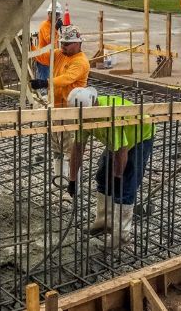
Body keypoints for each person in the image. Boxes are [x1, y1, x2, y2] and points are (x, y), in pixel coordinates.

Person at [68, 86, 155, 245]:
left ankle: (121, 235)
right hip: (119, 141)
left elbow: (121, 151)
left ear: (93, 106)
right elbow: (78, 148)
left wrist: (117, 177)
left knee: (125, 184)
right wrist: (72, 179)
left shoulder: (108, 115)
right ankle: (104, 222)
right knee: (103, 175)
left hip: (140, 134)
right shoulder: (83, 117)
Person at [29, 25, 90, 189]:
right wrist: (30, 46)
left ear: (78, 44)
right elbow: (42, 58)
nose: (62, 46)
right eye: (62, 43)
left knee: (72, 149)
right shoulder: (59, 54)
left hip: (71, 110)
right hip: (56, 107)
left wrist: (46, 82)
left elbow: (67, 78)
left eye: (67, 44)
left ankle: (73, 182)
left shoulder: (80, 61)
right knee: (56, 145)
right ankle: (59, 181)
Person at [33, 3, 63, 84]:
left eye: (57, 14)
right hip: (44, 60)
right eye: (54, 14)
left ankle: (47, 95)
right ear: (48, 13)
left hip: (51, 59)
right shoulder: (45, 25)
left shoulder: (52, 25)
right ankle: (42, 96)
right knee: (43, 84)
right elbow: (49, 41)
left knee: (50, 83)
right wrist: (56, 28)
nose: (56, 16)